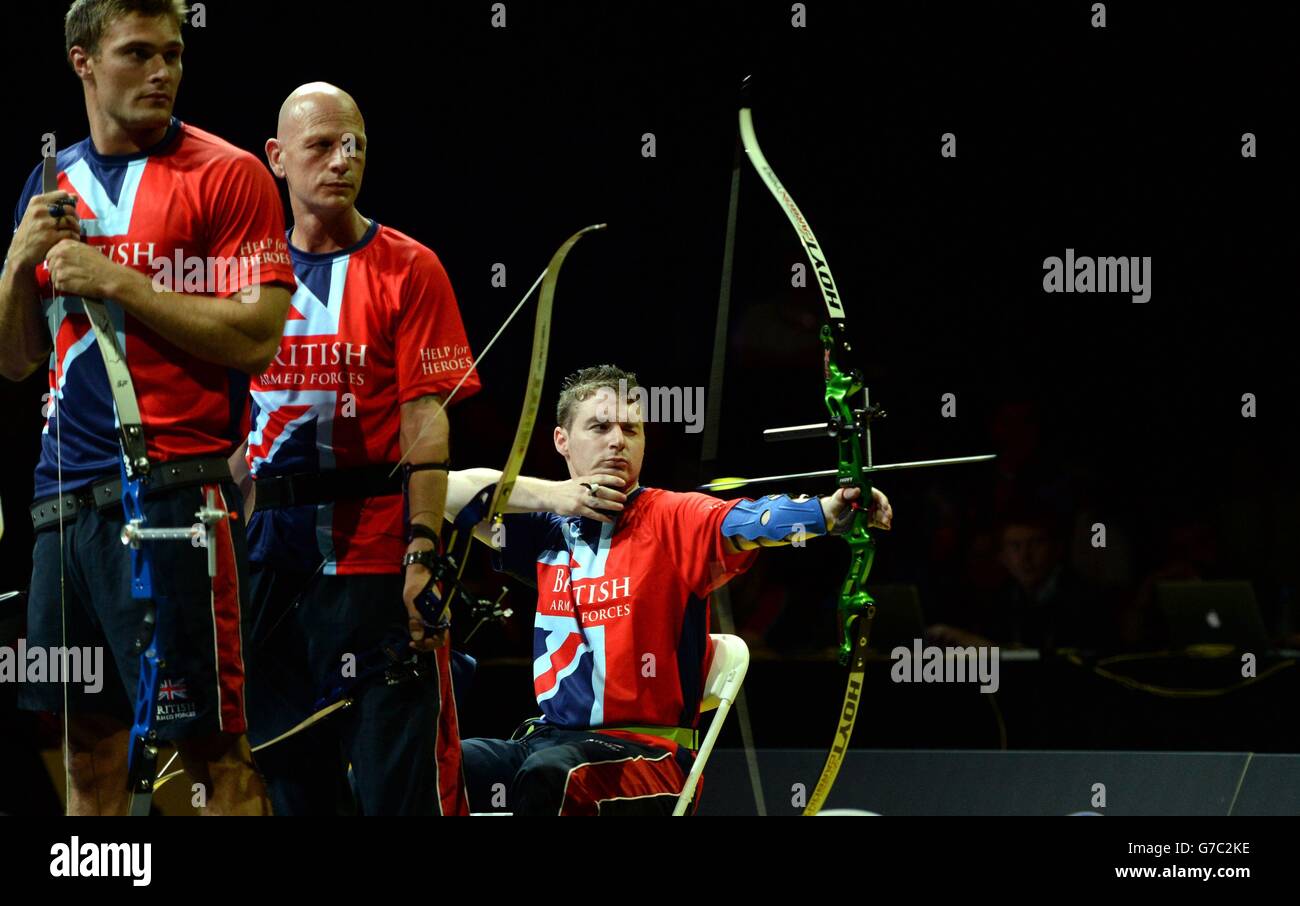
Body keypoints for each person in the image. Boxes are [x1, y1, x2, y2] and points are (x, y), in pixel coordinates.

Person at [1, 0, 294, 814]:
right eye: (137, 54)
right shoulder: (47, 181)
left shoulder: (227, 173)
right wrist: (13, 268)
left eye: (173, 54)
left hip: (172, 497)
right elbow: (15, 359)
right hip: (60, 509)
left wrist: (123, 282)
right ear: (81, 61)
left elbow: (256, 338)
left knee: (205, 756)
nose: (162, 72)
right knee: (81, 753)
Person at [443, 364, 891, 815]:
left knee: (552, 776)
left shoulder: (675, 516)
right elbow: (445, 492)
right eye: (599, 426)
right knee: (431, 764)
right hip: (547, 740)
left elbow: (747, 522)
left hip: (649, 758)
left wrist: (827, 513)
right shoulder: (544, 531)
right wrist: (556, 496)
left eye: (631, 429)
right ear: (562, 440)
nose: (618, 440)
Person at [230, 82, 479, 815]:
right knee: (291, 788)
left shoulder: (411, 266)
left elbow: (425, 421)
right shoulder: (245, 274)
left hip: (374, 565)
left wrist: (423, 554)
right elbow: (236, 431)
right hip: (271, 564)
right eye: (321, 145)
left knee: (392, 790)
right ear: (276, 158)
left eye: (356, 146)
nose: (342, 159)